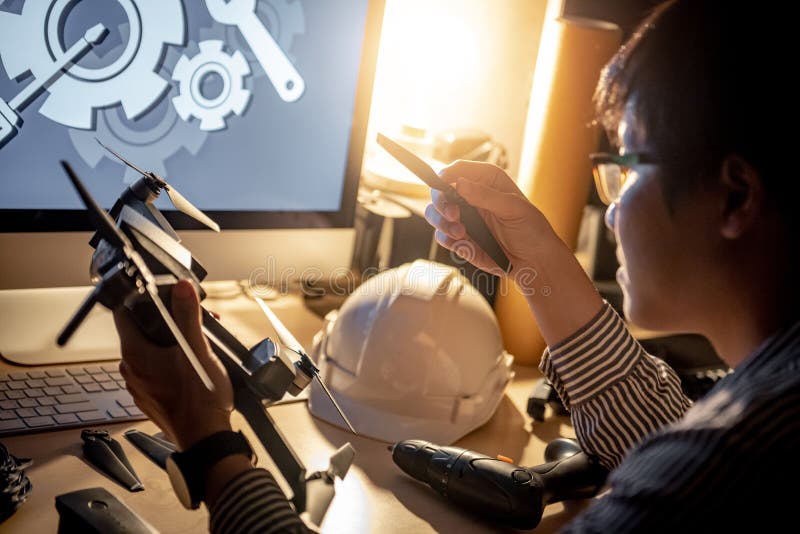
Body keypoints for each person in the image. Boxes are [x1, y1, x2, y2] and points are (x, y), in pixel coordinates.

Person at [115, 0, 799, 532]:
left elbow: (679, 469)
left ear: (735, 196)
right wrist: (537, 263)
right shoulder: (770, 397)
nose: (611, 206)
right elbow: (660, 434)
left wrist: (206, 440)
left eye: (625, 166)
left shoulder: (722, 468)